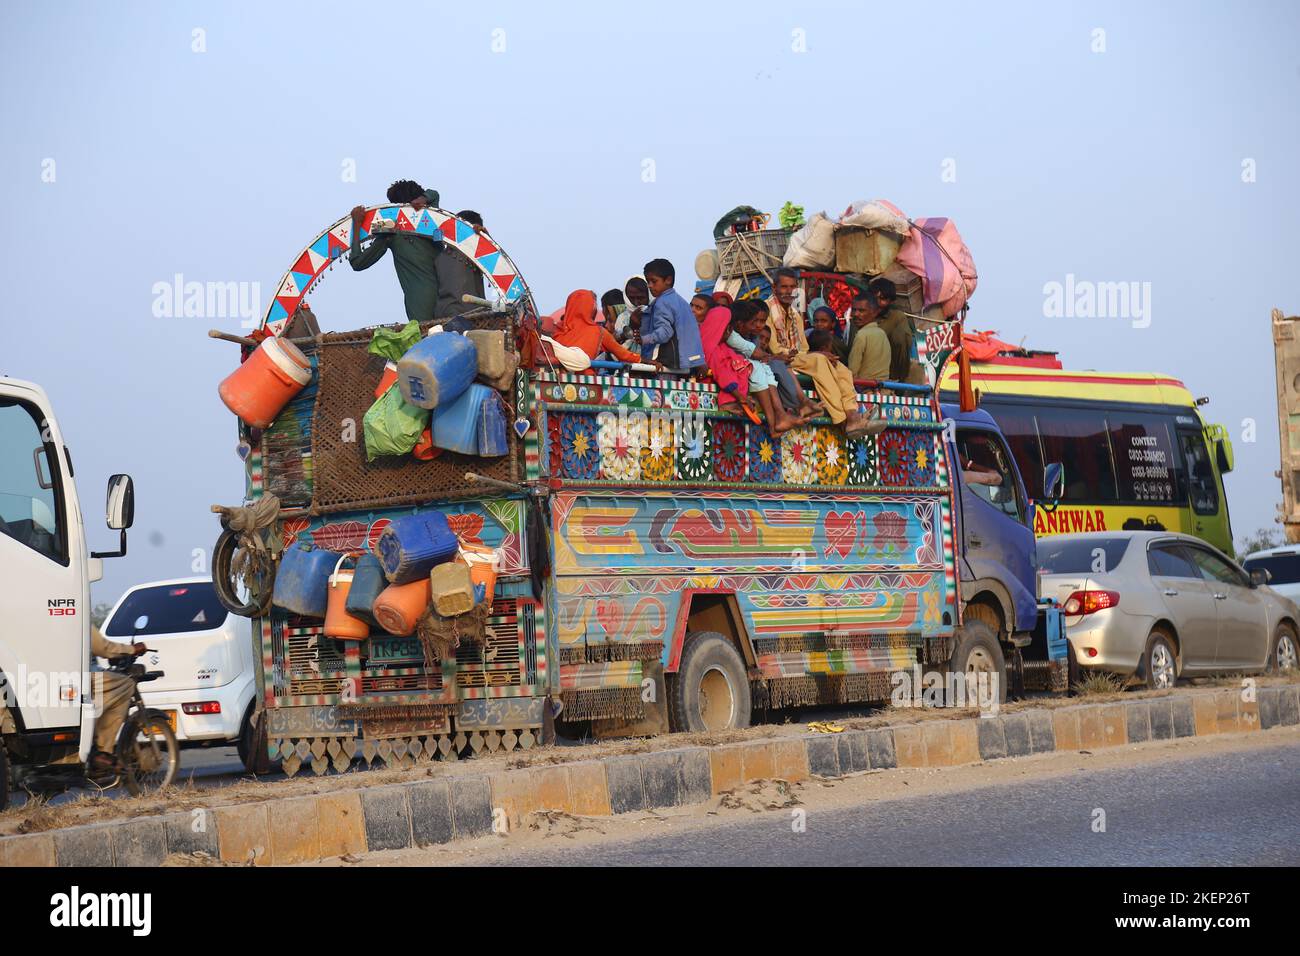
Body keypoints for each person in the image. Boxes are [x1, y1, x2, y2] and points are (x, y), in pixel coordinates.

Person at [348, 179, 443, 324]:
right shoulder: (430, 218)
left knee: (427, 340)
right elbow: (434, 194)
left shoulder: (391, 229)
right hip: (451, 296)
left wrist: (357, 225)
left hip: (421, 304)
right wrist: (423, 198)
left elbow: (357, 262)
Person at [700, 306, 803, 434]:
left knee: (755, 367)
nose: (730, 333)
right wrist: (740, 397)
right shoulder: (714, 349)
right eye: (728, 328)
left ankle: (778, 418)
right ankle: (773, 424)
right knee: (752, 367)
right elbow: (724, 375)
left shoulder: (721, 347)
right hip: (729, 391)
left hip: (735, 387)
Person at [738, 300, 822, 419]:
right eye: (755, 320)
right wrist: (774, 357)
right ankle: (798, 404)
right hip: (746, 371)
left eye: (762, 321)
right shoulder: (740, 336)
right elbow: (756, 355)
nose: (757, 325)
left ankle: (802, 402)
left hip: (758, 371)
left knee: (781, 365)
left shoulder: (754, 335)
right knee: (775, 365)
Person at [791, 330, 880, 438]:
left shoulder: (796, 317)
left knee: (840, 367)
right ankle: (844, 422)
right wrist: (816, 354)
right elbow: (776, 350)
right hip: (788, 358)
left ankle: (852, 415)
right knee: (820, 360)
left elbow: (804, 348)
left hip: (806, 355)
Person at [87, 625, 147, 779]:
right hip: (86, 675)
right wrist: (132, 649)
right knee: (126, 683)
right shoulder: (77, 611)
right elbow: (103, 648)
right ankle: (102, 750)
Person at [553, 289, 658, 368]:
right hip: (587, 384)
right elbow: (624, 355)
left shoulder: (558, 332)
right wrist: (647, 361)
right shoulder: (598, 332)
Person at [640, 258, 706, 372]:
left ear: (668, 280)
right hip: (685, 363)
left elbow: (665, 332)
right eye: (648, 281)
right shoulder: (682, 302)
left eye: (654, 281)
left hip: (665, 362)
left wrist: (644, 339)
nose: (649, 285)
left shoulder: (662, 302)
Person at [435, 209, 488, 318]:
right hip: (469, 315)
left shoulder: (441, 256)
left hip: (442, 313)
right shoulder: (473, 255)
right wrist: (484, 238)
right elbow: (492, 258)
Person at [846, 291, 892, 382]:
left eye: (861, 311)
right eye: (854, 310)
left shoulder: (861, 335)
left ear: (874, 313)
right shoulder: (882, 333)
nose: (855, 314)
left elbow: (852, 372)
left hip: (866, 389)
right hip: (884, 389)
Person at [765, 268, 808, 355]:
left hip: (796, 358)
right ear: (774, 288)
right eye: (784, 287)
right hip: (776, 360)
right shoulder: (765, 310)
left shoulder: (795, 315)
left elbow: (805, 348)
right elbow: (774, 349)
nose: (789, 292)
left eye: (792, 287)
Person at [618, 275, 651, 344]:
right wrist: (631, 327)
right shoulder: (622, 318)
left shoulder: (658, 314)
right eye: (631, 298)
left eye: (641, 298)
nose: (636, 303)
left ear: (649, 295)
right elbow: (615, 341)